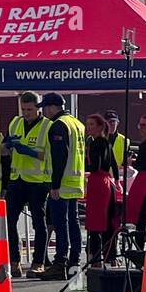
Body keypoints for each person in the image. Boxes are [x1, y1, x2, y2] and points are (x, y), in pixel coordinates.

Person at [4, 91, 52, 278]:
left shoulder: (48, 126)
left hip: (37, 181)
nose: (26, 113)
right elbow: (4, 148)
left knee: (39, 223)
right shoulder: (15, 122)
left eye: (29, 109)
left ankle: (38, 262)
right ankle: (14, 261)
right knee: (9, 221)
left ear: (38, 108)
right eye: (23, 109)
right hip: (17, 179)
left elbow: (46, 155)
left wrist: (27, 150)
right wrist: (7, 146)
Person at [42, 93, 84, 279]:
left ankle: (60, 262)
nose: (43, 111)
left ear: (53, 107)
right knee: (73, 222)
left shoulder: (58, 125)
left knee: (61, 223)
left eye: (45, 107)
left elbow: (60, 156)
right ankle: (74, 261)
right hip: (76, 180)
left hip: (63, 182)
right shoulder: (76, 123)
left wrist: (55, 184)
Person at [83, 113, 122, 267]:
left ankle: (95, 257)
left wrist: (87, 171)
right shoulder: (107, 142)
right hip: (108, 182)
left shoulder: (95, 143)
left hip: (97, 182)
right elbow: (113, 164)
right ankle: (109, 255)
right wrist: (117, 181)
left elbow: (96, 165)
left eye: (92, 125)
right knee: (107, 220)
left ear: (100, 127)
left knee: (95, 222)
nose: (89, 128)